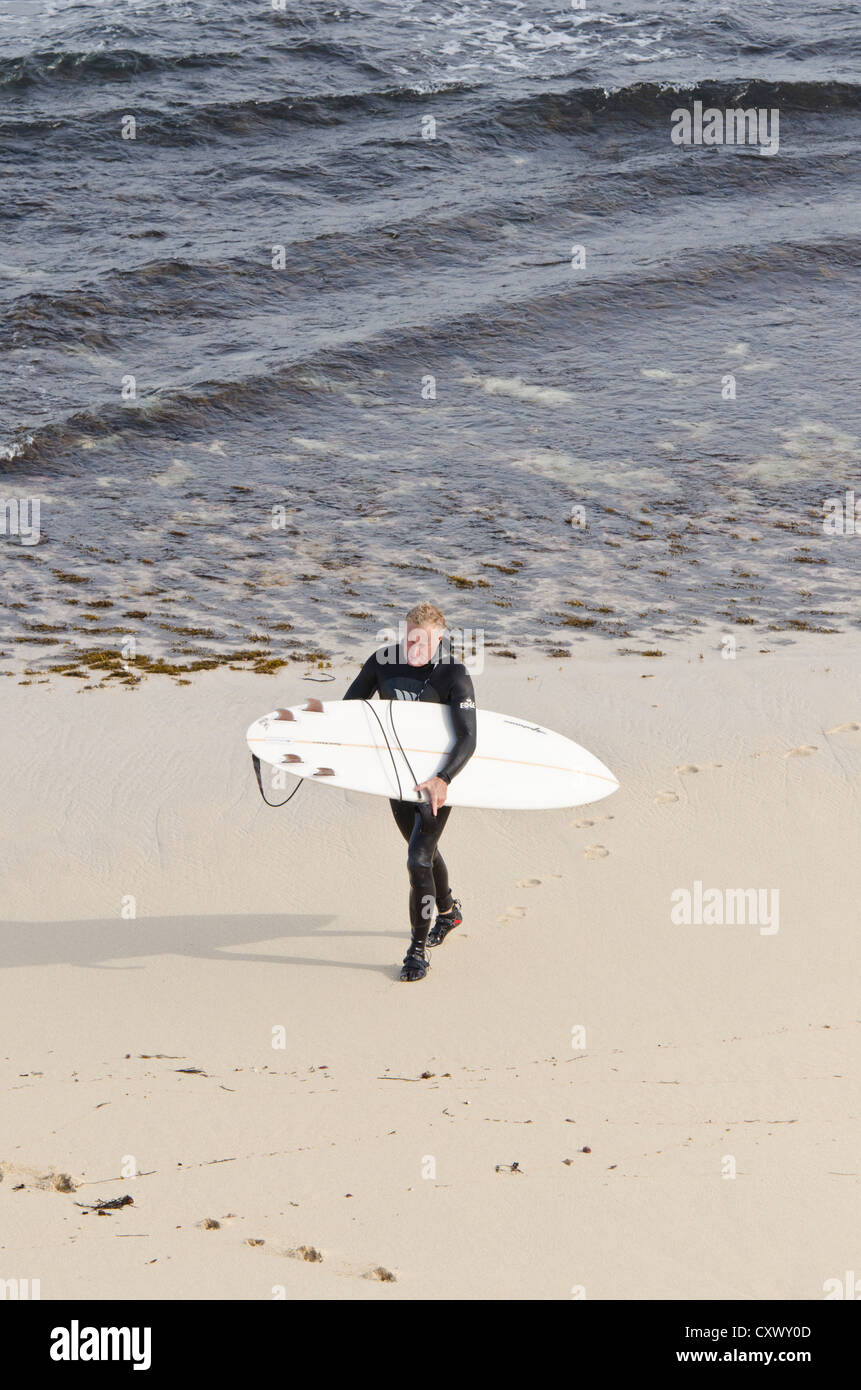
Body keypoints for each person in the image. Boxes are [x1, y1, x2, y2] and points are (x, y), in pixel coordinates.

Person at [344, 603, 477, 981]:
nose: (412, 646)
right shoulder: (383, 663)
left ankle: (416, 951)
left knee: (417, 860)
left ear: (439, 639)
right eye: (408, 637)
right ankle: (449, 912)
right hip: (396, 779)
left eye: (421, 640)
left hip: (435, 781)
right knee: (425, 852)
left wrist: (444, 779)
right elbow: (350, 708)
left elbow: (469, 737)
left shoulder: (454, 675)